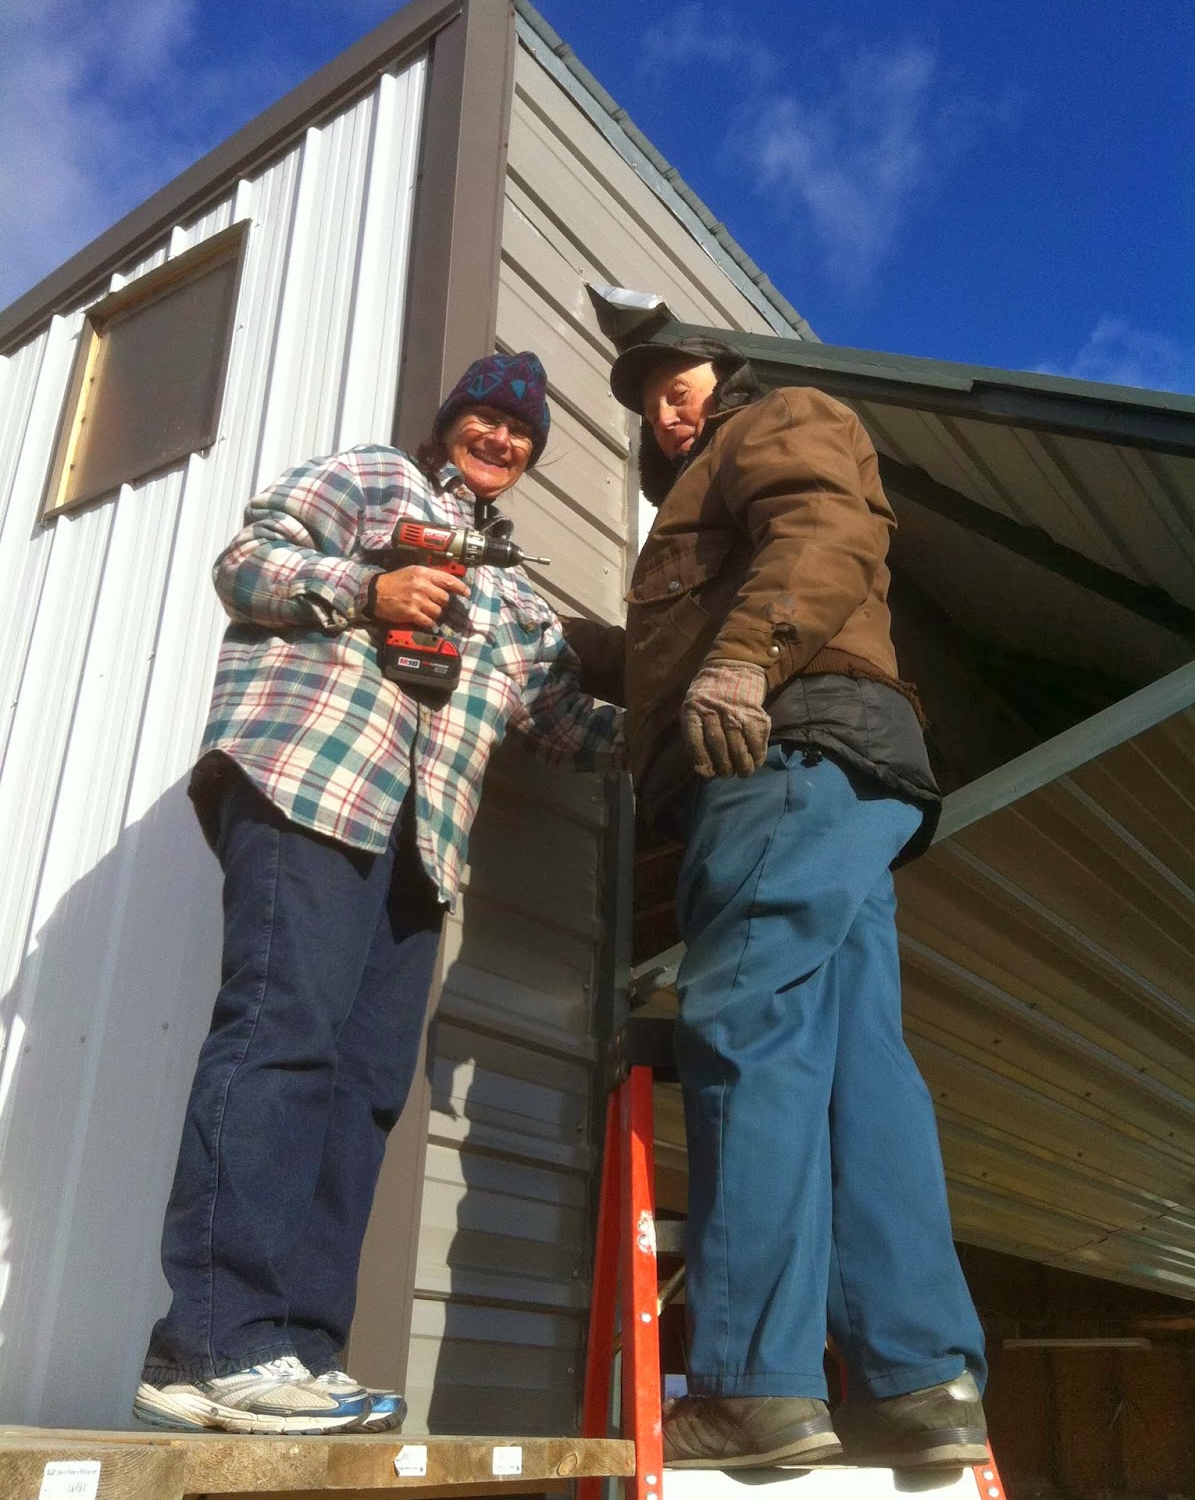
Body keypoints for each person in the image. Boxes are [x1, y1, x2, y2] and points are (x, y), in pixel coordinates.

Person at [134, 352, 622, 1436]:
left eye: (520, 432)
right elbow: (245, 563)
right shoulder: (371, 478)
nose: (500, 438)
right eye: (485, 416)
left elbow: (559, 720)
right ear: (449, 423)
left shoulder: (514, 596)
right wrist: (368, 587)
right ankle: (207, 1347)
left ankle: (301, 1354)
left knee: (362, 1091)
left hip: (422, 842)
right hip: (314, 783)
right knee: (282, 1040)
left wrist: (675, 727)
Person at [564, 337, 987, 1469]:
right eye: (652, 405)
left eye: (678, 386)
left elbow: (827, 527)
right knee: (857, 1064)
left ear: (724, 377)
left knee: (748, 1029)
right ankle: (919, 1381)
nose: (666, 411)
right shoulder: (715, 514)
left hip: (777, 755)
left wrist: (746, 659)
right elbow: (673, 652)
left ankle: (756, 1383)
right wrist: (568, 644)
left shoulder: (777, 418)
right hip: (839, 772)